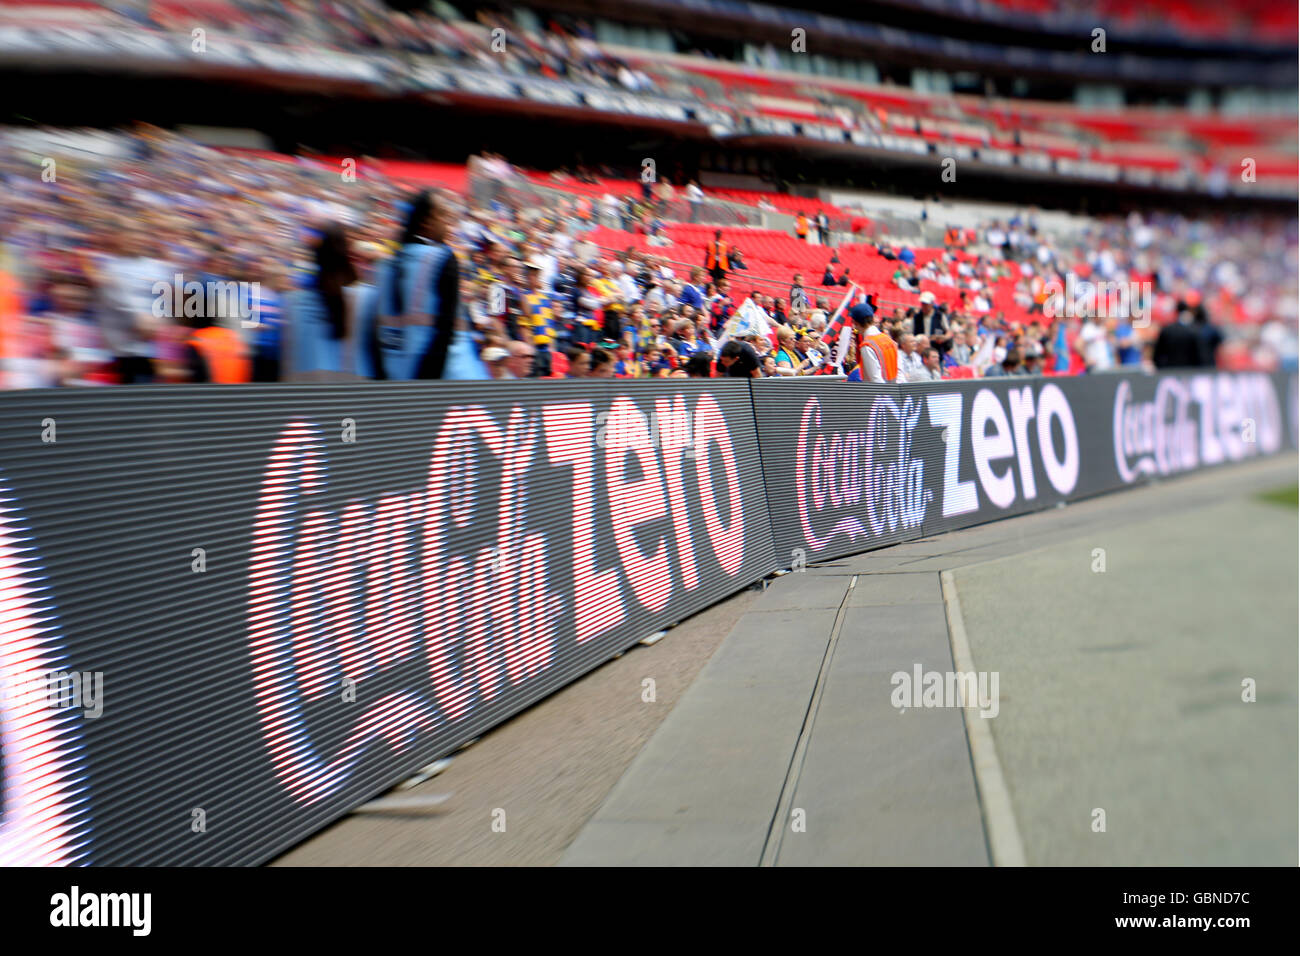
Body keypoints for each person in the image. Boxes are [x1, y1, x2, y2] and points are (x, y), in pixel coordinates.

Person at [366, 191, 460, 380]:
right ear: (426, 222)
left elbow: (372, 330)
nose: (448, 220)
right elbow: (445, 330)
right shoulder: (443, 258)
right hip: (425, 376)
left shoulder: (384, 265)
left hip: (390, 373)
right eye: (442, 214)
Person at [286, 224, 358, 378]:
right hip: (340, 377)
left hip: (306, 377)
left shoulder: (297, 296)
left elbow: (290, 347)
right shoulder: (355, 293)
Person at [850, 303, 897, 383]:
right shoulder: (888, 339)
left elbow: (875, 380)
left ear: (855, 323)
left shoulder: (867, 345)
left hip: (881, 394)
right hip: (894, 390)